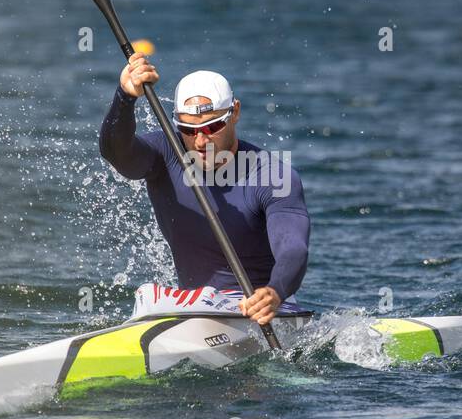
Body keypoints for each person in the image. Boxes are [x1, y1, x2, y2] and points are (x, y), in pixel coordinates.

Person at [99, 52, 310, 327]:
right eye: (187, 129)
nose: (200, 141)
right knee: (148, 294)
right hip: (194, 307)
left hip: (261, 312)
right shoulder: (165, 154)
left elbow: (293, 248)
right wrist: (125, 97)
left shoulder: (272, 175)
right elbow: (116, 153)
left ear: (234, 112)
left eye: (212, 127)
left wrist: (275, 292)